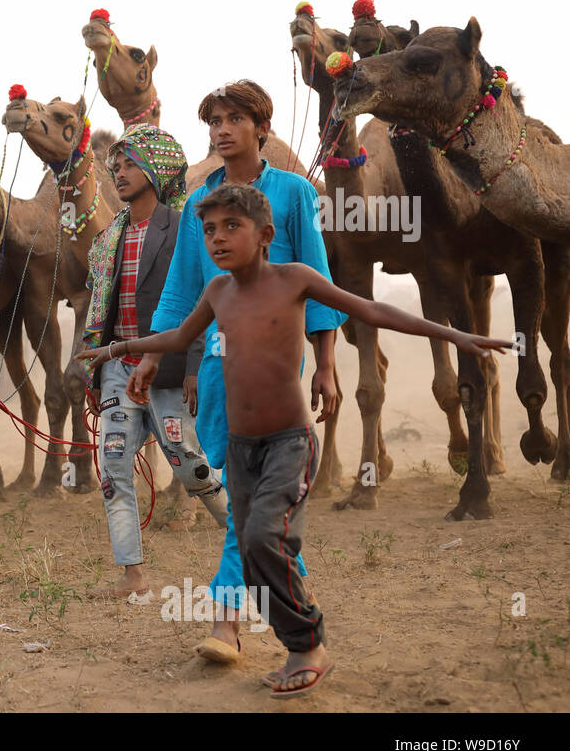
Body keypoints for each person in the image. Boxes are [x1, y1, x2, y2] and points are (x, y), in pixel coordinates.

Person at [80, 183, 509, 697]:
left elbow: (370, 310)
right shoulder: (218, 293)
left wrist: (456, 336)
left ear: (265, 235)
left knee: (261, 538)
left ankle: (307, 644)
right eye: (209, 229)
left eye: (230, 227)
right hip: (241, 450)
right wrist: (120, 348)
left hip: (288, 443)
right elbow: (178, 336)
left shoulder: (295, 281)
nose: (216, 238)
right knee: (259, 550)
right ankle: (291, 641)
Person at [130, 81, 344, 663]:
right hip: (219, 360)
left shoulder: (294, 194)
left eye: (235, 118)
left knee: (246, 501)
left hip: (273, 360)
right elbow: (180, 291)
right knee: (244, 491)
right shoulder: (204, 201)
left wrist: (325, 364)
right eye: (215, 120)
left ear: (260, 128)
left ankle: (226, 624)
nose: (222, 129)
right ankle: (290, 589)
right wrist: (152, 358)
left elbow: (318, 281)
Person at [78, 123, 229, 599]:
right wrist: (97, 368)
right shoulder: (107, 239)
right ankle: (132, 575)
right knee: (114, 467)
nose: (118, 174)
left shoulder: (185, 227)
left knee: (189, 464)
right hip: (118, 367)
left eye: (128, 165)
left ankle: (248, 540)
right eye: (115, 166)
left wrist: (191, 368)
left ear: (156, 169)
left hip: (165, 366)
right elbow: (99, 308)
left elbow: (199, 300)